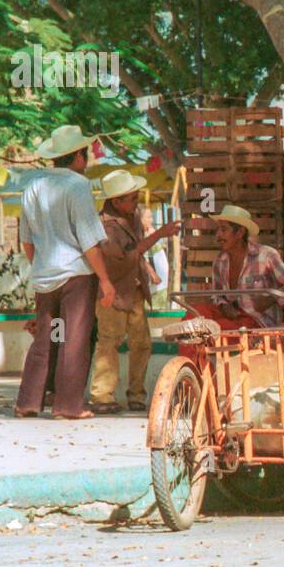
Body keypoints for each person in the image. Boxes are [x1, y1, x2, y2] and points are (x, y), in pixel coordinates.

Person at [13, 125, 116, 420]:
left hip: (45, 274)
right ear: (79, 157)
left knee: (46, 337)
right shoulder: (78, 186)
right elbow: (89, 242)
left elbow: (26, 240)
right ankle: (68, 406)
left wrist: (42, 265)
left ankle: (27, 402)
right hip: (76, 275)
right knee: (74, 338)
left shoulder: (33, 185)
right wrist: (106, 282)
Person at [87, 170, 180, 414]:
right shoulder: (104, 227)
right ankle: (101, 395)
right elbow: (123, 257)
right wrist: (160, 234)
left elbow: (135, 253)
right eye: (131, 198)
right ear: (116, 201)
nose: (136, 202)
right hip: (112, 292)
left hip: (135, 289)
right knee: (109, 341)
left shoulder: (134, 216)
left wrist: (147, 271)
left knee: (142, 343)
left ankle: (137, 395)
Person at [189, 204, 284, 330]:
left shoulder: (266, 255)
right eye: (217, 230)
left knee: (216, 330)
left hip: (256, 322)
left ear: (240, 232)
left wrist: (271, 298)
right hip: (229, 318)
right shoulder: (220, 260)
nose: (218, 235)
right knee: (193, 316)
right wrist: (224, 305)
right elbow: (217, 295)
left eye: (223, 230)